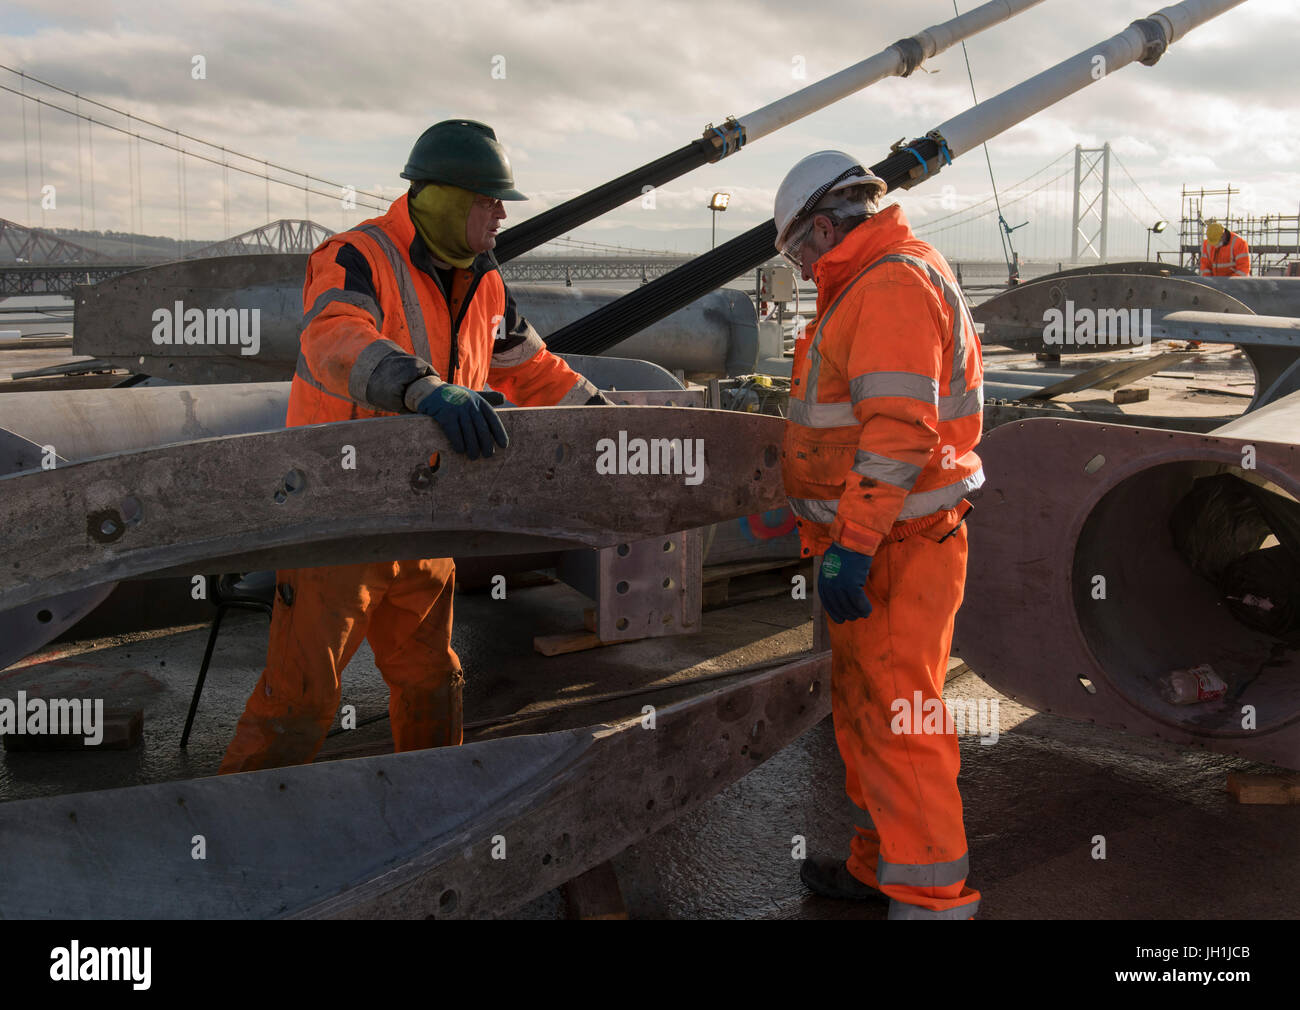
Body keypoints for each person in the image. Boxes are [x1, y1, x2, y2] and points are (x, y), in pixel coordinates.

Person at [220, 119, 607, 773]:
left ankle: (433, 804)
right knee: (302, 701)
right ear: (450, 200)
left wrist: (603, 421)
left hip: (425, 521)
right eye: (490, 200)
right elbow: (334, 337)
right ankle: (231, 842)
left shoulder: (483, 284)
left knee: (432, 682)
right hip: (338, 521)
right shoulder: (355, 257)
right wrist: (426, 390)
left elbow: (536, 369)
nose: (502, 214)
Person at [773, 150, 985, 919]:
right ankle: (879, 866)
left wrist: (853, 545)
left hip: (897, 545)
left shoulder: (889, 284)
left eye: (799, 250)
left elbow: (899, 433)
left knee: (903, 721)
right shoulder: (877, 277)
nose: (799, 267)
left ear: (825, 227)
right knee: (867, 713)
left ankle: (932, 902)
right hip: (883, 542)